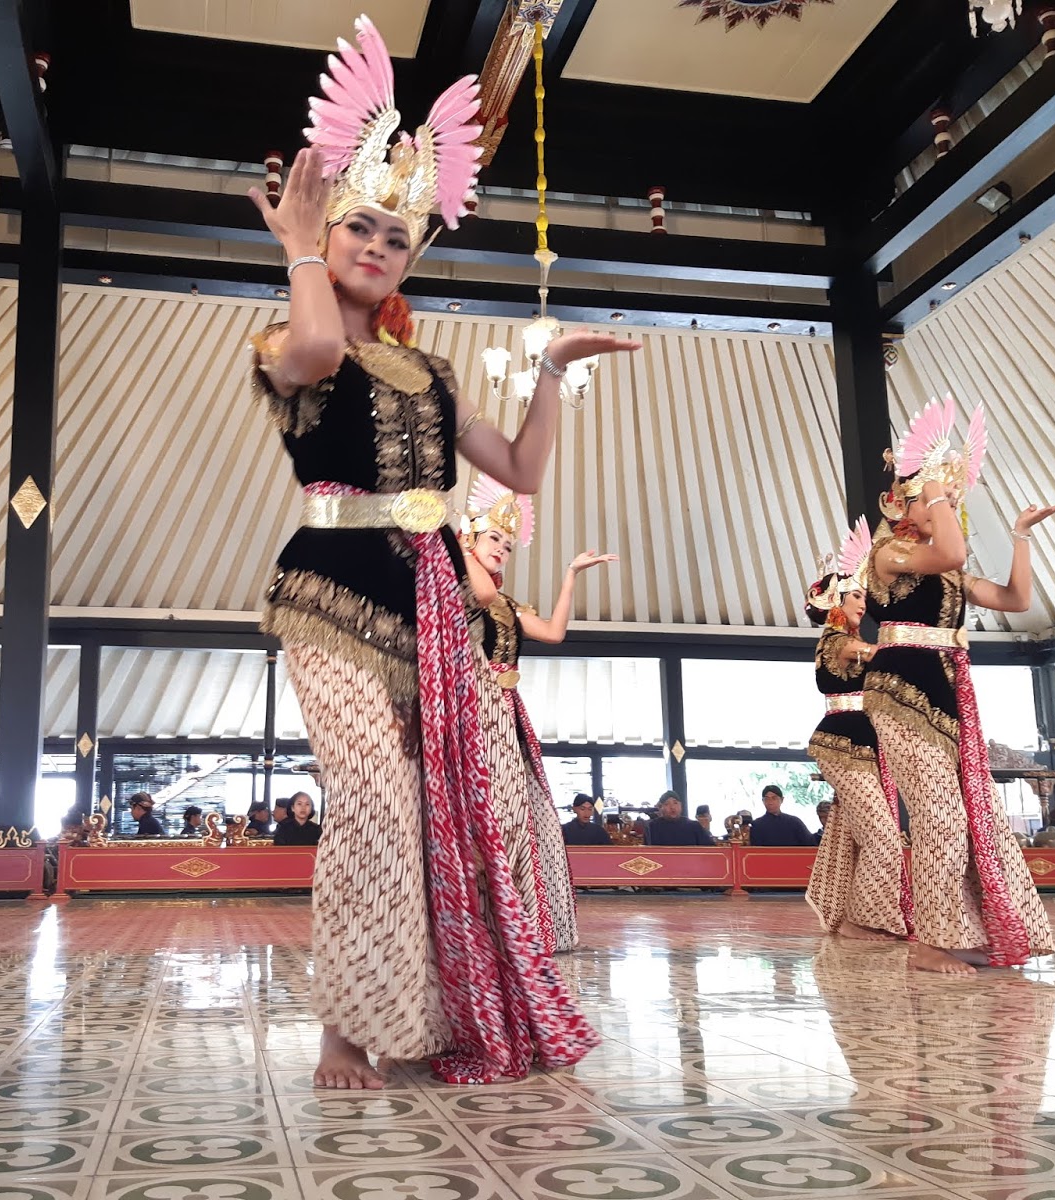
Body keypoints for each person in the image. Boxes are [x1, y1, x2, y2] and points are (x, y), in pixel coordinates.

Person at [247, 16, 629, 1088]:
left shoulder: (438, 372)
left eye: (394, 238)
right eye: (357, 228)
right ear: (328, 239)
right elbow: (321, 345)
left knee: (451, 804)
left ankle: (432, 1000)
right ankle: (340, 1022)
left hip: (432, 595)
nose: (373, 247)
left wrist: (549, 370)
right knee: (371, 794)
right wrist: (294, 248)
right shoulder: (285, 340)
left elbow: (518, 470)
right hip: (330, 592)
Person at [864, 395, 1055, 975]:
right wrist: (934, 488)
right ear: (907, 503)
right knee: (938, 814)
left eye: (948, 499)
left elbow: (1015, 600)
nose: (947, 506)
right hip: (899, 685)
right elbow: (948, 545)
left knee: (967, 814)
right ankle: (931, 939)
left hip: (946, 688)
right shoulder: (890, 552)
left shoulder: (949, 574)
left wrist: (1020, 535)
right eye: (933, 498)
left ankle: (964, 928)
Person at [462, 476, 615, 955]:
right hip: (475, 706)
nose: (502, 549)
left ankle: (521, 922)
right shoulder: (461, 586)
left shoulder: (508, 602)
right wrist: (462, 541)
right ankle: (486, 924)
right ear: (470, 538)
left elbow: (552, 632)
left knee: (526, 814)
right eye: (494, 538)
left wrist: (570, 575)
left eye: (508, 545)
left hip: (508, 709)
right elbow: (481, 593)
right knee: (493, 813)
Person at [802, 520, 912, 943]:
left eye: (864, 597)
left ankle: (848, 911)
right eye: (854, 596)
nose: (862, 604)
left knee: (853, 836)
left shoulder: (849, 638)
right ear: (834, 601)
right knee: (883, 836)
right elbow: (875, 655)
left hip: (862, 747)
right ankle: (863, 919)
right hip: (842, 745)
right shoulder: (836, 641)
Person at [749, 785, 814, 847]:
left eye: (774, 798)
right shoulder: (756, 825)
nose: (770, 802)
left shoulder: (794, 822)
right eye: (767, 799)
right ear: (763, 801)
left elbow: (810, 843)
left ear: (782, 800)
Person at [645, 792, 711, 847]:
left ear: (681, 805)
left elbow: (709, 849)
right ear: (661, 808)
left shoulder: (694, 826)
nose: (672, 807)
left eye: (675, 803)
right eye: (667, 804)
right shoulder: (652, 826)